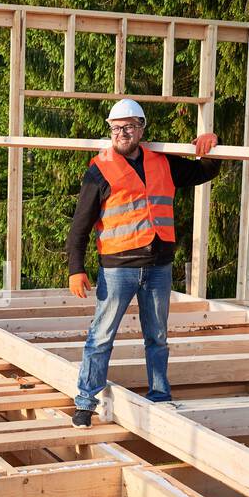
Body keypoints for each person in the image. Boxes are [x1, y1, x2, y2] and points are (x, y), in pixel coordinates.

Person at [67, 99, 218, 427]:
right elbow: (79, 226)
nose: (122, 133)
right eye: (116, 128)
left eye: (129, 127)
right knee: (101, 335)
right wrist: (75, 269)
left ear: (141, 128)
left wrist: (209, 148)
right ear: (111, 130)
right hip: (118, 268)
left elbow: (203, 171)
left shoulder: (162, 161)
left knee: (158, 335)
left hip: (158, 266)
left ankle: (160, 395)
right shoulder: (100, 170)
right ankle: (84, 402)